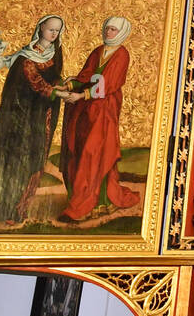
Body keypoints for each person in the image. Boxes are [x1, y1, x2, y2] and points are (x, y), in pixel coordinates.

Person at [0, 15, 67, 224]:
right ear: (41, 28)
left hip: (41, 117)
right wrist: (59, 92)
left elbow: (52, 79)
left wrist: (63, 85)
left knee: (35, 161)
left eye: (57, 30)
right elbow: (36, 83)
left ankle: (20, 210)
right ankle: (5, 209)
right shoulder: (25, 57)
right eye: (50, 29)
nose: (53, 34)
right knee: (18, 162)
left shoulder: (56, 53)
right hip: (20, 120)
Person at [58, 16, 138, 223]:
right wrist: (69, 86)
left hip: (105, 111)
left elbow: (109, 84)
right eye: (107, 28)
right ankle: (97, 201)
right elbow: (86, 76)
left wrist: (80, 95)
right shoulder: (98, 51)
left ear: (121, 32)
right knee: (84, 149)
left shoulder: (121, 54)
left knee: (94, 153)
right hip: (88, 110)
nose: (108, 33)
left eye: (113, 29)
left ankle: (85, 205)